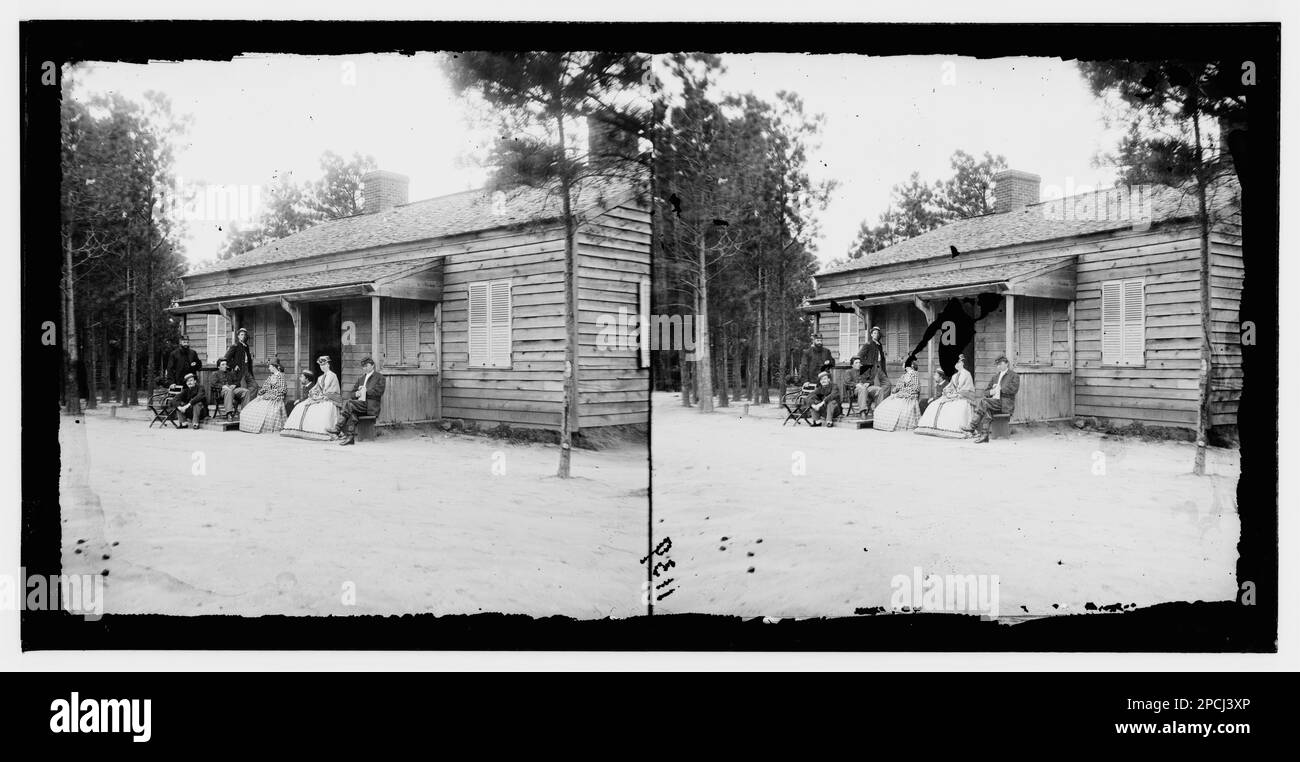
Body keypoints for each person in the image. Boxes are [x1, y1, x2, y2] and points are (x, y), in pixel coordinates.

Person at [915, 354, 978, 439]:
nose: (956, 365)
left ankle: (955, 430)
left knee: (958, 406)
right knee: (935, 404)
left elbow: (968, 389)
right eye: (955, 363)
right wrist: (948, 392)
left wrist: (957, 394)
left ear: (962, 363)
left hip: (964, 397)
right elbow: (949, 387)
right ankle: (930, 427)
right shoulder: (954, 376)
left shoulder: (967, 374)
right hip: (954, 396)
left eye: (958, 363)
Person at [280, 356, 342, 441]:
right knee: (302, 405)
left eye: (324, 365)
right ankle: (298, 430)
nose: (322, 367)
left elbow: (331, 391)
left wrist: (320, 397)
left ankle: (321, 433)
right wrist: (313, 395)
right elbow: (315, 389)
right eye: (321, 365)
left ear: (328, 365)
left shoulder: (332, 375)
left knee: (323, 408)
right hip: (321, 398)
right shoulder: (320, 378)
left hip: (330, 399)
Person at [331, 357, 386, 446]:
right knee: (352, 411)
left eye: (367, 366)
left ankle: (338, 429)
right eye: (363, 366)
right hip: (360, 405)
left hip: (371, 406)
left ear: (372, 366)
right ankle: (350, 438)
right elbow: (352, 394)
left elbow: (379, 392)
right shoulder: (361, 379)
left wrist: (365, 391)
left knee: (349, 404)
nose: (365, 368)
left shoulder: (379, 377)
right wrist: (356, 394)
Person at [967, 355, 1020, 443]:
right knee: (986, 408)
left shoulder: (1013, 376)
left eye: (1000, 364)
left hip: (1005, 404)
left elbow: (1014, 389)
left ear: (1007, 364)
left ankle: (972, 426)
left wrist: (1000, 389)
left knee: (984, 402)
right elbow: (986, 392)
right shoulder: (995, 377)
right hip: (994, 403)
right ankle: (984, 436)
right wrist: (991, 392)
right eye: (997, 365)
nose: (999, 366)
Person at [871, 356, 921, 432]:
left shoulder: (914, 374)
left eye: (903, 363)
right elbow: (898, 387)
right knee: (881, 408)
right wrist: (894, 391)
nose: (902, 365)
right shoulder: (904, 375)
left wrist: (900, 394)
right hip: (900, 396)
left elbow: (915, 388)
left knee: (894, 410)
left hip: (908, 398)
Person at [238, 359, 289, 434]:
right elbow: (264, 387)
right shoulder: (270, 376)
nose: (269, 368)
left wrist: (268, 395)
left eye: (270, 367)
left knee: (267, 414)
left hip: (275, 399)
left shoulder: (280, 376)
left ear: (274, 367)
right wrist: (260, 394)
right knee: (248, 411)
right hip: (266, 397)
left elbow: (282, 390)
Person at [855, 326, 890, 415]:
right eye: (874, 333)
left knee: (887, 384)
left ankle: (879, 405)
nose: (876, 334)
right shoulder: (868, 344)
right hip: (873, 369)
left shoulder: (879, 345)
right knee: (876, 386)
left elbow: (881, 358)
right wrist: (868, 365)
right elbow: (859, 356)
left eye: (877, 333)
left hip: (880, 368)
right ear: (871, 334)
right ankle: (874, 409)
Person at [223, 327, 256, 392]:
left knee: (255, 387)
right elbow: (226, 358)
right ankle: (244, 402)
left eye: (244, 335)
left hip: (248, 371)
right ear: (238, 336)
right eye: (241, 334)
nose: (243, 336)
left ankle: (249, 402)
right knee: (244, 389)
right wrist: (234, 366)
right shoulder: (235, 346)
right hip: (240, 372)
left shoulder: (246, 347)